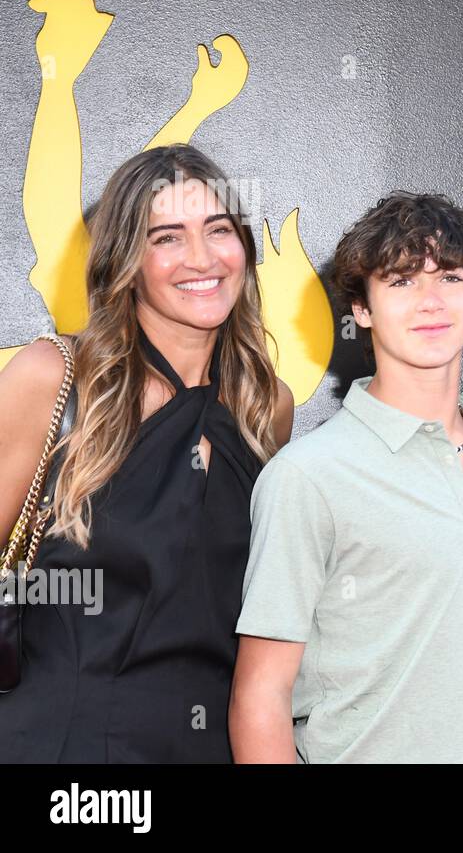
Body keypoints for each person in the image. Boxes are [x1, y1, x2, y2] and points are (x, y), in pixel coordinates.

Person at [0, 144, 294, 762]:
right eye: (167, 237)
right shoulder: (53, 378)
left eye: (219, 229)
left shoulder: (266, 408)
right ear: (125, 261)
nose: (201, 257)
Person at [229, 192, 463, 763]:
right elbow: (259, 697)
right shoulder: (306, 476)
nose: (430, 301)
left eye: (449, 277)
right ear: (360, 310)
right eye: (400, 281)